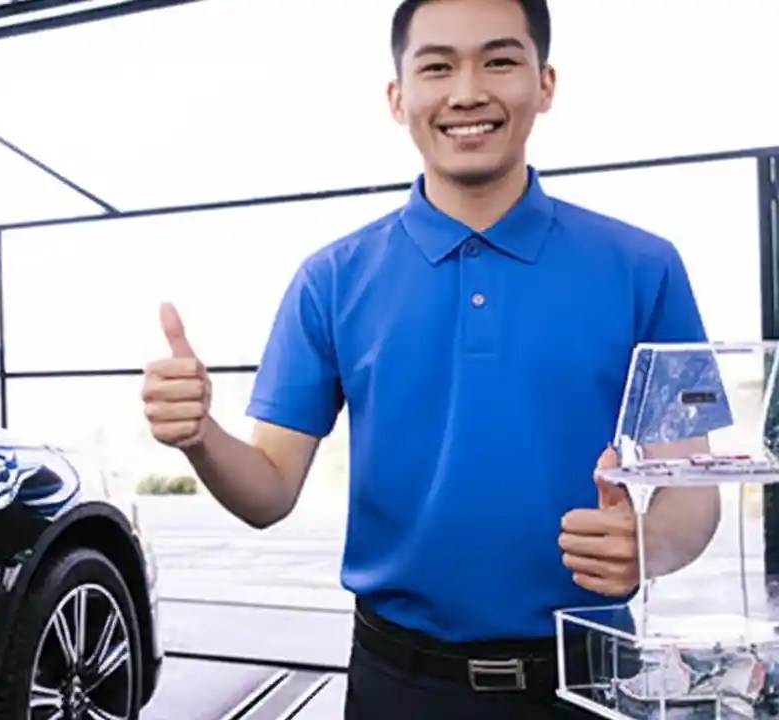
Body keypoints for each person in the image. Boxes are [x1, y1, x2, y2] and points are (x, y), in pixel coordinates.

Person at [139, 0, 723, 717]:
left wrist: (647, 543)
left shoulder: (644, 268)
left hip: (592, 680)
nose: (467, 92)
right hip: (398, 684)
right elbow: (268, 491)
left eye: (499, 61)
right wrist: (200, 435)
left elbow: (693, 490)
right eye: (437, 67)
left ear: (544, 84)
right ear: (398, 97)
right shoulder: (331, 280)